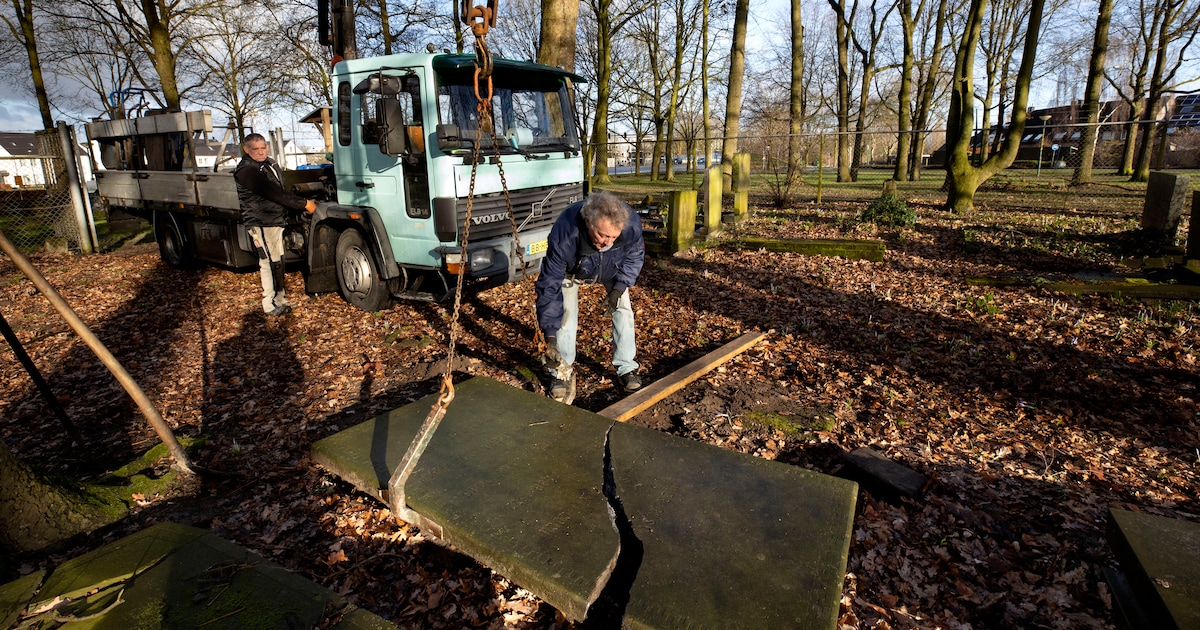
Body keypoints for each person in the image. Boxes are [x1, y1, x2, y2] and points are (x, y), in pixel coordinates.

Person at [535, 191, 645, 401]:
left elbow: (634, 256)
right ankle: (561, 369)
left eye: (613, 237)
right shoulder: (565, 233)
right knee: (566, 314)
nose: (607, 242)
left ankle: (627, 367)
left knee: (623, 309)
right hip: (573, 268)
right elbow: (550, 284)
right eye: (602, 235)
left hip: (614, 267)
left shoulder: (631, 227)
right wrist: (549, 334)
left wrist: (619, 288)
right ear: (588, 222)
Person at [234, 133, 316, 316]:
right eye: (256, 149)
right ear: (246, 150)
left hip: (274, 219)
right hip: (262, 221)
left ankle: (279, 298)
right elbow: (273, 193)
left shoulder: (269, 164)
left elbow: (280, 189)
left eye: (263, 147)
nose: (261, 152)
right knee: (269, 262)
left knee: (277, 260)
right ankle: (270, 303)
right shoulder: (247, 171)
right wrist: (304, 204)